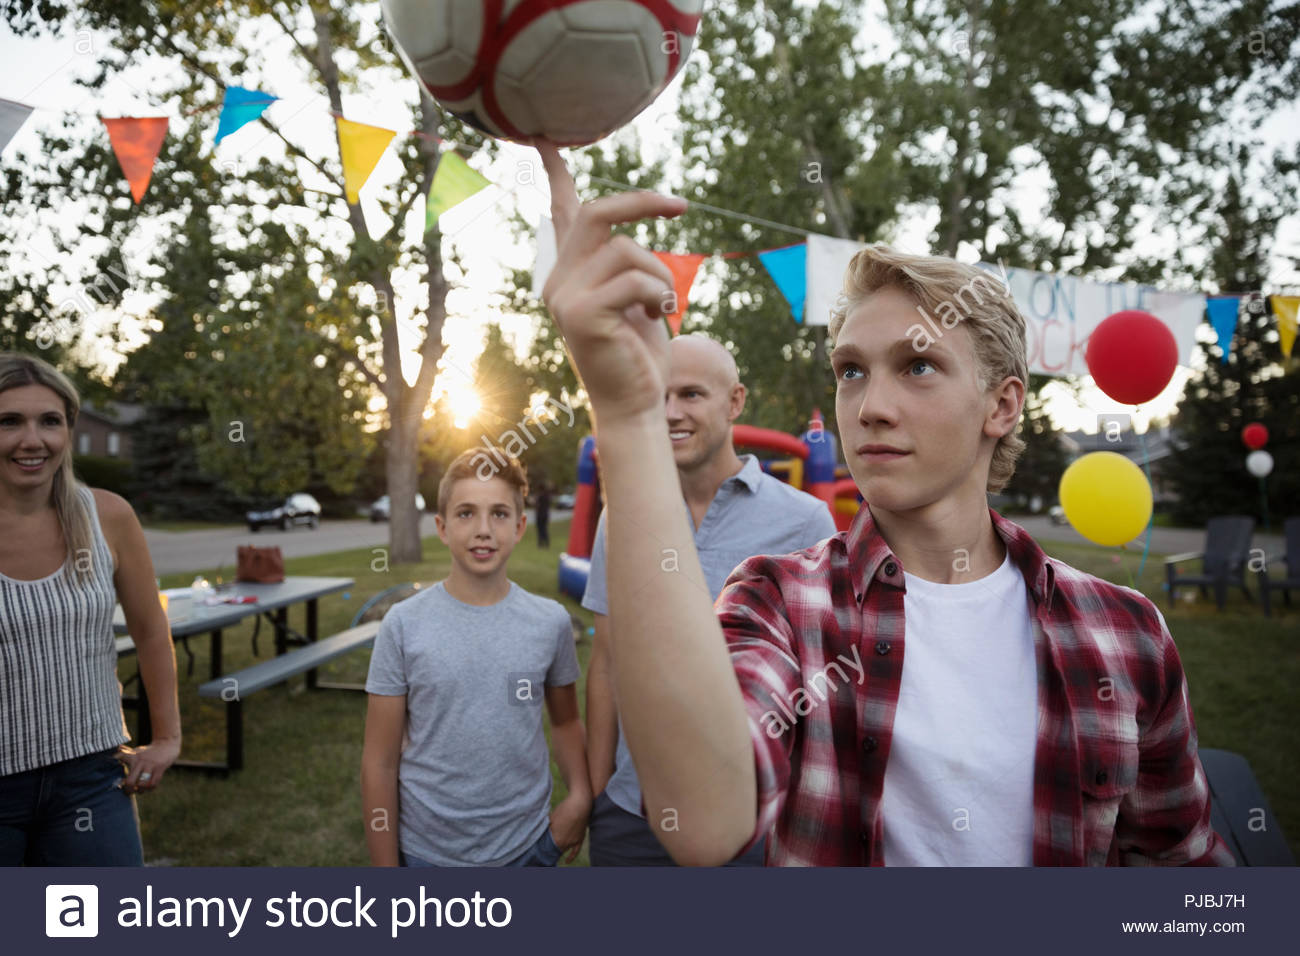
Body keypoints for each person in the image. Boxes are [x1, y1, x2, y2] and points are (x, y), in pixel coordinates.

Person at [535, 146, 1233, 867]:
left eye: (918, 366)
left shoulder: (1126, 633)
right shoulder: (780, 600)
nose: (870, 407)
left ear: (1001, 404)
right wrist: (627, 414)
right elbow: (701, 821)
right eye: (850, 371)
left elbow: (1183, 870)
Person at [582, 332, 836, 866]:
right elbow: (606, 660)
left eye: (691, 394)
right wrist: (599, 791)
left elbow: (820, 679)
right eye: (659, 397)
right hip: (632, 813)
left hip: (752, 816)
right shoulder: (620, 518)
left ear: (735, 401)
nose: (671, 412)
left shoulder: (805, 521)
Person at [360, 447, 590, 867]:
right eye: (466, 513)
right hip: (426, 854)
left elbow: (565, 720)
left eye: (499, 514)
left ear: (520, 526)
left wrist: (580, 796)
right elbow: (379, 760)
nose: (483, 529)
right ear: (442, 527)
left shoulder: (549, 622)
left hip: (529, 848)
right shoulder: (403, 625)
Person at [0, 352, 181, 866]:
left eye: (49, 421)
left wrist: (167, 737)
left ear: (68, 430)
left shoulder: (107, 515)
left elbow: (150, 630)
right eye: (9, 421)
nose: (32, 440)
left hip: (92, 783)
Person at [535, 481, 551, 548]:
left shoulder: (540, 496)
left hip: (540, 515)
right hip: (545, 515)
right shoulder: (547, 496)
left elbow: (538, 505)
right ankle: (546, 542)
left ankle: (540, 543)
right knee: (544, 529)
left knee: (540, 529)